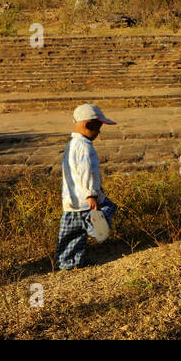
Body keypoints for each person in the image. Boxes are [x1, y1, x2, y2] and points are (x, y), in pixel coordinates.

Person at [56, 103, 118, 270]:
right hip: (86, 200)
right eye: (98, 128)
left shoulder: (71, 144)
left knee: (71, 236)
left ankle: (68, 262)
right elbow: (87, 171)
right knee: (109, 207)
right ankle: (93, 225)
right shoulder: (84, 147)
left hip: (71, 202)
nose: (99, 132)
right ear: (88, 125)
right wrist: (91, 194)